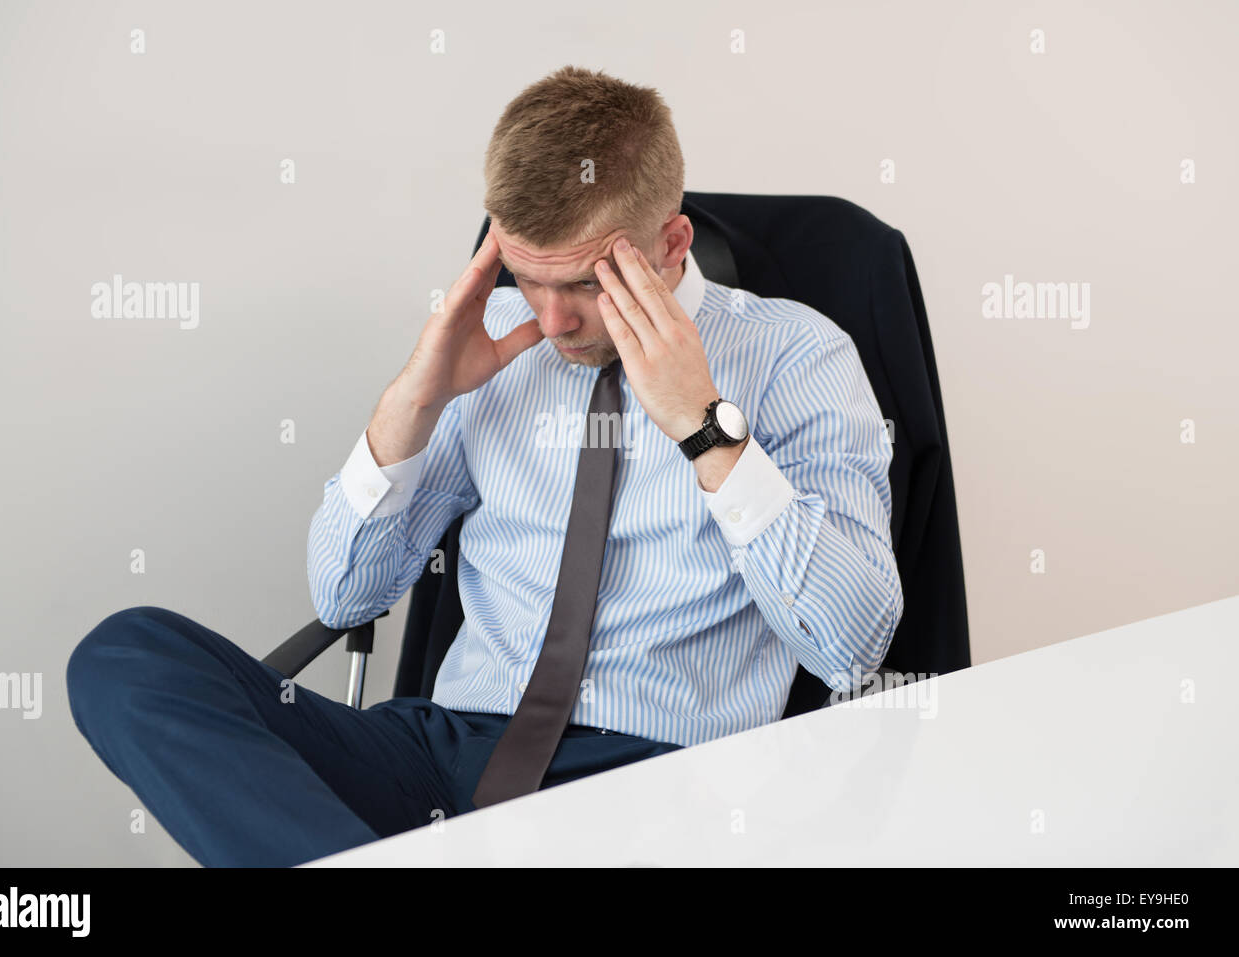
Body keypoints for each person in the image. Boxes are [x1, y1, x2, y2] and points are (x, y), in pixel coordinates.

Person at [67, 65, 903, 867]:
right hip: (441, 751)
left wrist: (704, 430)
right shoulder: (496, 334)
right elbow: (343, 595)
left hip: (657, 782)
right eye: (526, 276)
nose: (552, 318)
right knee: (125, 656)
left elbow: (854, 645)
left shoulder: (797, 354)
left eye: (583, 283)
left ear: (671, 241)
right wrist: (413, 404)